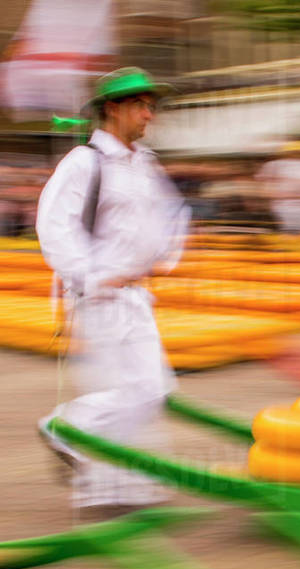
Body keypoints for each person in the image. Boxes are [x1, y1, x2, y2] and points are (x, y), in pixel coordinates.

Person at [36, 67, 190, 511]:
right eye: (141, 105)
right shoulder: (85, 162)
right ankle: (64, 429)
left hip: (135, 293)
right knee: (136, 388)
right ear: (113, 109)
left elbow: (170, 215)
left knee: (149, 390)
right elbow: (54, 227)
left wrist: (163, 257)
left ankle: (113, 486)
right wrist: (93, 277)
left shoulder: (144, 163)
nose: (148, 115)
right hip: (100, 295)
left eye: (151, 106)